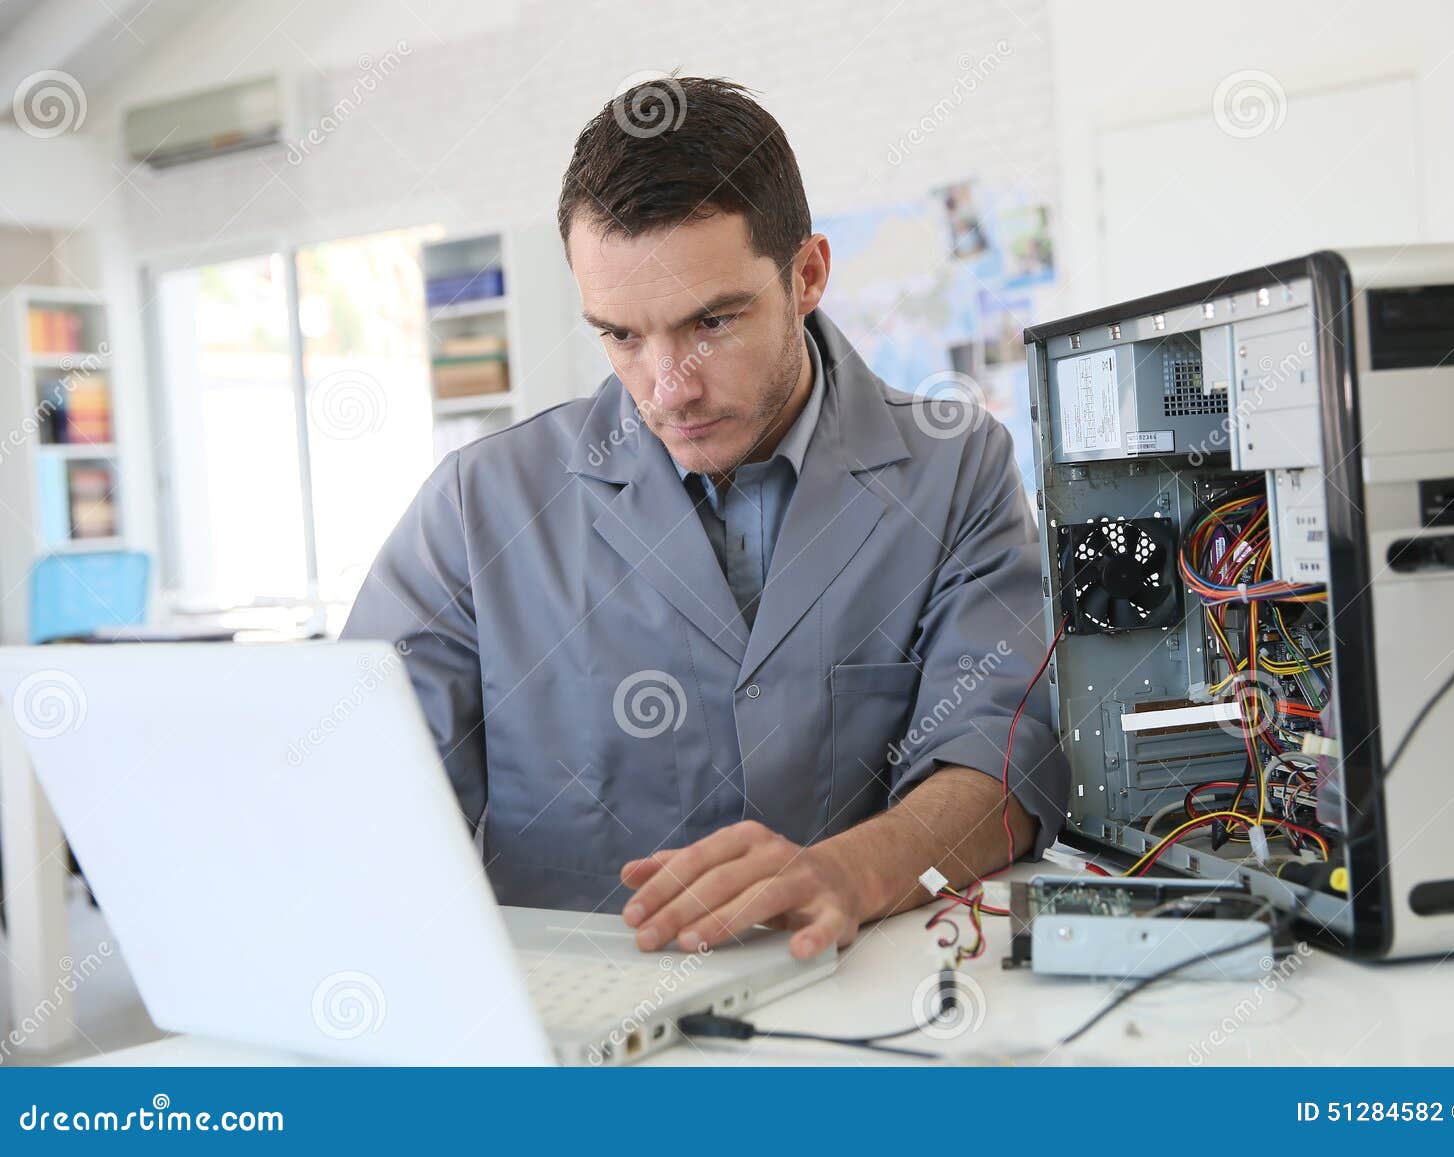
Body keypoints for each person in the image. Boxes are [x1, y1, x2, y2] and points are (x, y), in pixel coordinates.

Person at [343, 76, 1069, 960]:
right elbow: (357, 794)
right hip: (575, 1045)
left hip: (854, 1011)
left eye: (711, 322)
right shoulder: (476, 507)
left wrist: (849, 871)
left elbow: (1002, 758)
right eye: (619, 335)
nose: (667, 387)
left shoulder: (956, 468)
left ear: (807, 275)